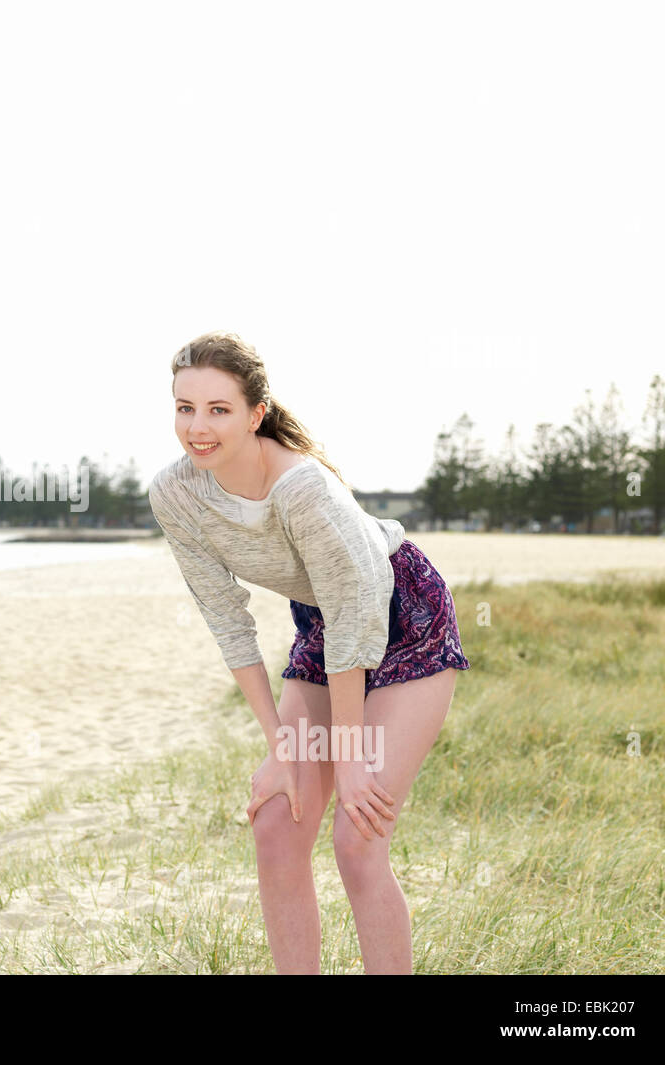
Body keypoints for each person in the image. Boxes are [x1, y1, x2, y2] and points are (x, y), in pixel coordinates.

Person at [147, 331, 470, 975]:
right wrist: (281, 748)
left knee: (358, 837)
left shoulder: (302, 489)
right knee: (276, 824)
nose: (198, 428)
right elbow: (227, 620)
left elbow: (357, 616)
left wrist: (348, 757)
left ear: (255, 415)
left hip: (403, 616)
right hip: (325, 625)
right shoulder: (176, 494)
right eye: (185, 408)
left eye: (218, 409)